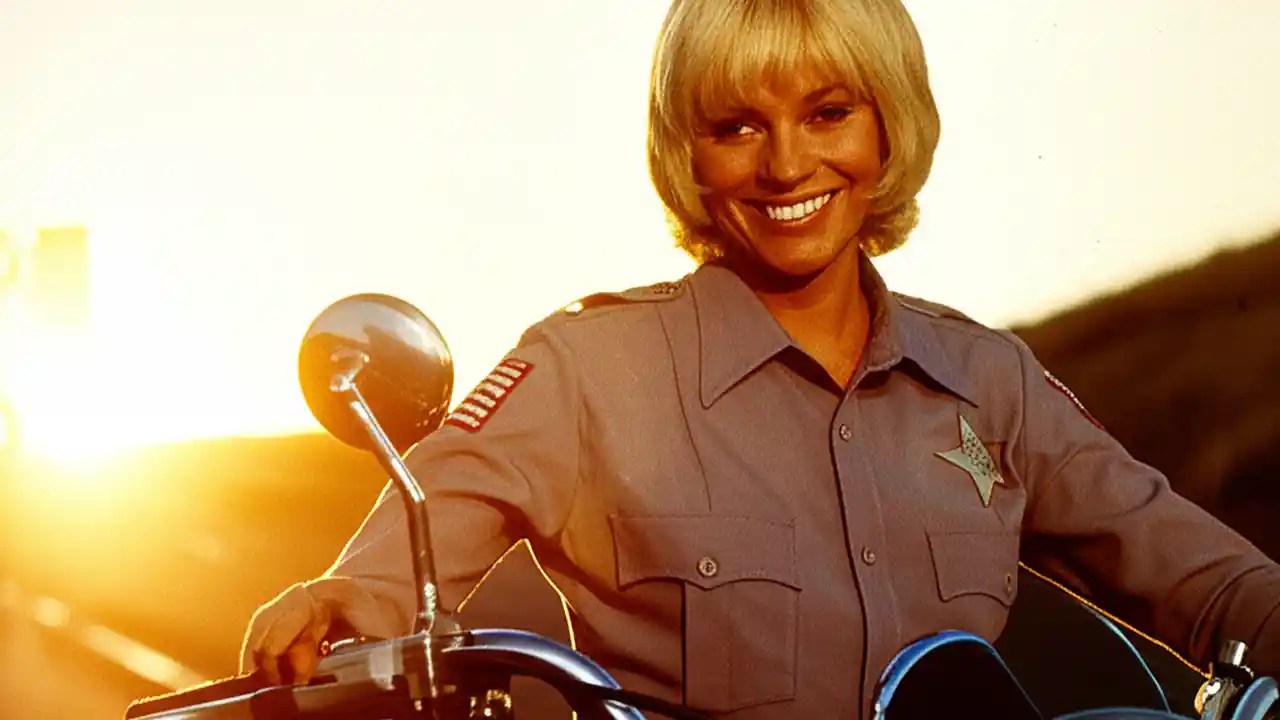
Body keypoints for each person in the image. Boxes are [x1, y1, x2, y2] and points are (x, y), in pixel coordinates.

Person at [240, 1, 1280, 717]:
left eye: (828, 113)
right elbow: (416, 535)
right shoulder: (587, 369)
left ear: (886, 128)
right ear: (685, 151)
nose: (785, 165)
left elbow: (1202, 578)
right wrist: (342, 606)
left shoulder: (985, 381)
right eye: (736, 126)